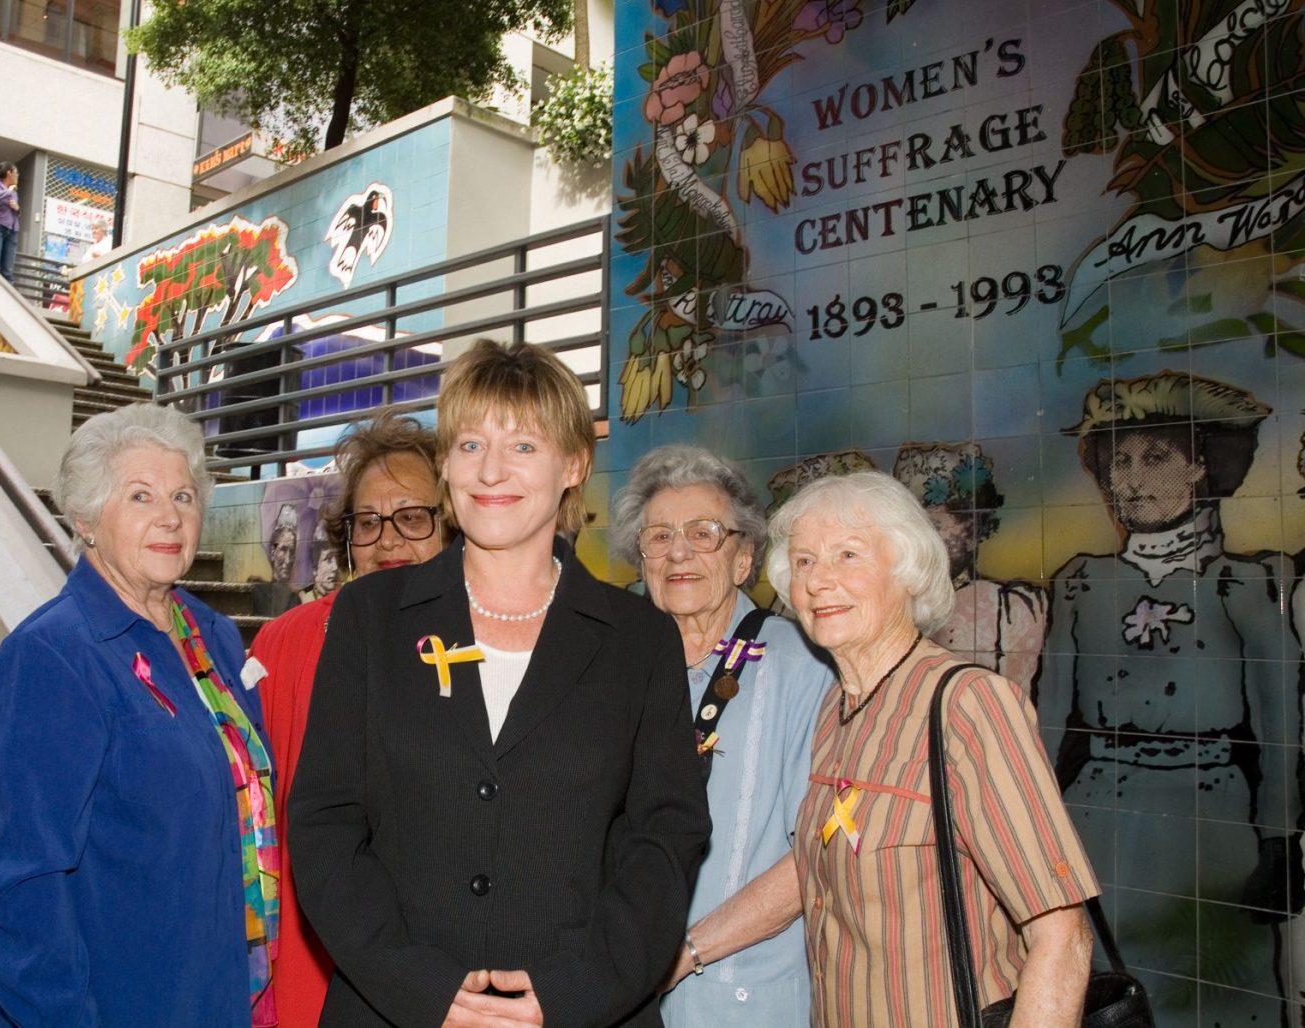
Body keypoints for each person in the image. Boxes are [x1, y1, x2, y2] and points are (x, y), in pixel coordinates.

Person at [289, 340, 711, 1027]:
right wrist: (419, 983)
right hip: (396, 1007)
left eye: (522, 447)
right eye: (470, 444)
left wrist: (576, 988)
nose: (490, 470)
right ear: (447, 464)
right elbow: (326, 824)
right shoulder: (373, 619)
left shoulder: (638, 639)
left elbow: (666, 836)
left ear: (572, 464)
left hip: (578, 1009)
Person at [0, 403, 280, 1027]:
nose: (171, 516)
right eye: (140, 496)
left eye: (184, 496)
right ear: (86, 519)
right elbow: (26, 888)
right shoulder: (54, 656)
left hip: (227, 993)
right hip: (124, 1002)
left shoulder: (214, 636)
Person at [764, 470, 1097, 1027]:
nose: (819, 581)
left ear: (910, 572)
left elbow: (1063, 937)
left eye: (848, 555)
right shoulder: (837, 709)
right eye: (803, 561)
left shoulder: (969, 705)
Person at [1037, 371, 1300, 1023]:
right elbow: (1043, 726)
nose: (1130, 477)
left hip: (1208, 818)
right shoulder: (1080, 585)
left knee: (1218, 995)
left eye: (1155, 457)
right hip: (1096, 815)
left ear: (1201, 466)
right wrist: (1033, 832)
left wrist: (1279, 839)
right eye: (1119, 460)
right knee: (1101, 992)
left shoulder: (1244, 584)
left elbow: (1282, 721)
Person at [609, 445, 831, 1025]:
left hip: (744, 1000)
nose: (677, 551)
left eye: (704, 533)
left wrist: (683, 955)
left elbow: (812, 860)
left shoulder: (802, 665)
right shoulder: (616, 670)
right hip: (622, 997)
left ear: (742, 559)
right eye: (658, 536)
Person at [247, 408, 446, 1027]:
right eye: (369, 522)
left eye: (413, 518)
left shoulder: (489, 645)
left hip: (448, 966)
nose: (389, 540)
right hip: (310, 960)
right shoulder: (280, 647)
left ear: (452, 527)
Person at [891, 442, 1048, 687]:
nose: (926, 543)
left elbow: (1016, 697)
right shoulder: (893, 603)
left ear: (973, 530)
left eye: (936, 527)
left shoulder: (1009, 606)